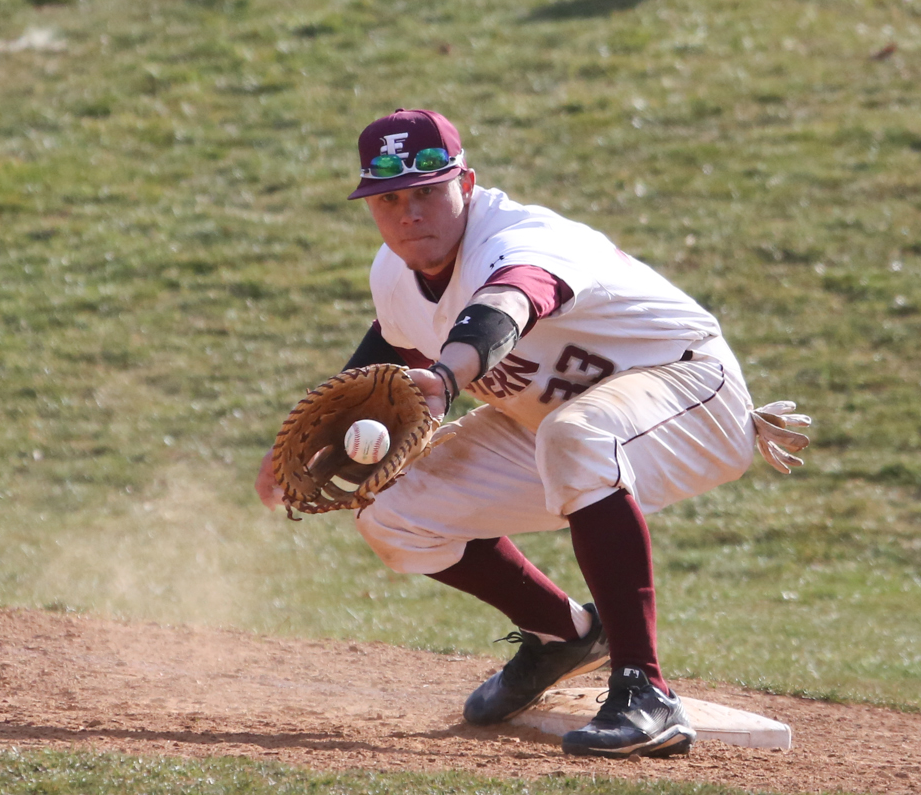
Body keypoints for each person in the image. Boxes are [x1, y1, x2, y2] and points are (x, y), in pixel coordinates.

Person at [257, 108, 783, 758]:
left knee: (577, 433)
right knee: (392, 510)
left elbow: (511, 300)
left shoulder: (521, 239)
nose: (408, 212)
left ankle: (646, 693)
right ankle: (563, 635)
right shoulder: (393, 275)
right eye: (388, 198)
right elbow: (392, 342)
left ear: (467, 184)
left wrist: (449, 378)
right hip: (553, 426)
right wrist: (312, 443)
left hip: (692, 399)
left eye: (427, 191)